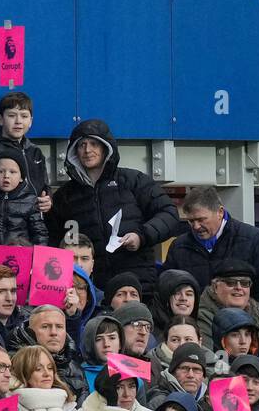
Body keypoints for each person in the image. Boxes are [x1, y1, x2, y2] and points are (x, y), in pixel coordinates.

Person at [45, 118, 179, 293]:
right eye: (81, 145)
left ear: (105, 147)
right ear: (74, 151)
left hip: (139, 286)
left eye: (94, 143)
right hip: (89, 290)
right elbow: (54, 242)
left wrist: (141, 236)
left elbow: (169, 213)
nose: (87, 150)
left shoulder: (133, 181)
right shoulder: (64, 196)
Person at [165, 186, 259, 311]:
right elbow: (167, 287)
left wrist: (254, 319)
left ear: (220, 212)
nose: (196, 226)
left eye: (201, 220)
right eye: (191, 221)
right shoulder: (179, 247)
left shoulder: (253, 239)